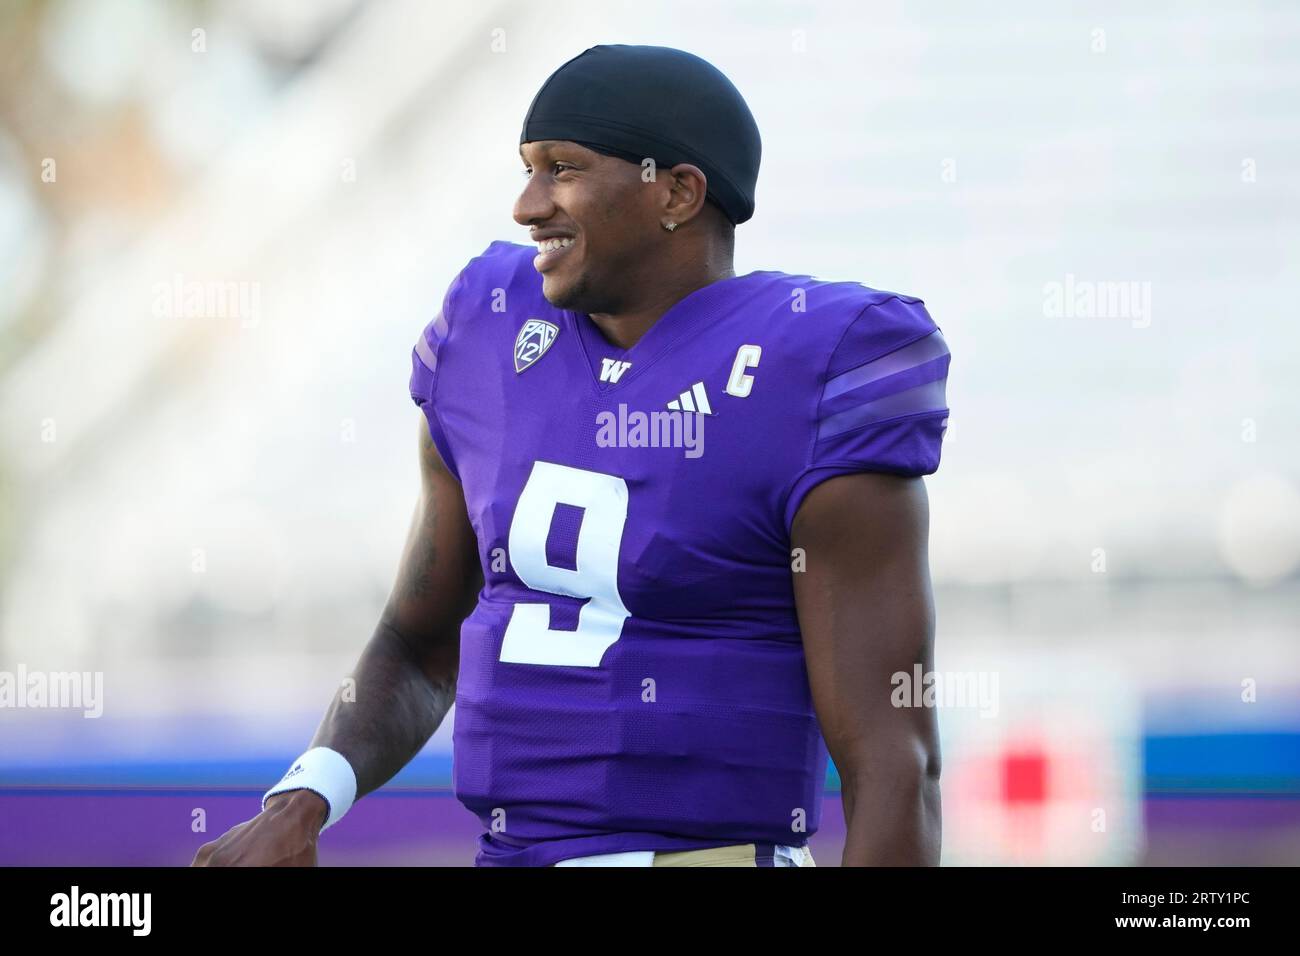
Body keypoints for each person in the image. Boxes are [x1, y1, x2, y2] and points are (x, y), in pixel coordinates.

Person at [193, 43, 950, 868]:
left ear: (677, 191)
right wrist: (305, 799)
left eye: (563, 169)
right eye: (527, 168)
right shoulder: (487, 336)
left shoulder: (815, 364)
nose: (526, 205)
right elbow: (419, 642)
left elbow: (892, 761)